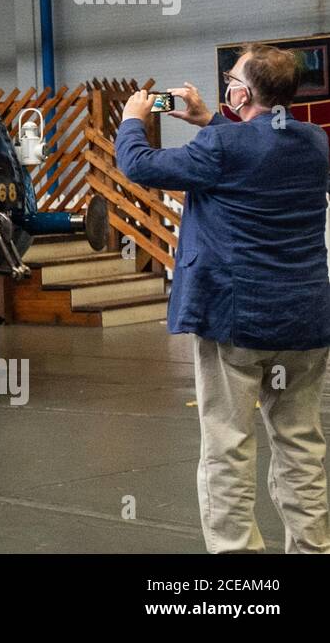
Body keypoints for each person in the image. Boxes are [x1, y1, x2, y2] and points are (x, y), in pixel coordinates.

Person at [116, 44, 330, 553]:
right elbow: (252, 150)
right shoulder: (315, 141)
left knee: (228, 449)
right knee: (302, 446)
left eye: (231, 77)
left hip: (237, 319)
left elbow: (138, 164)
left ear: (241, 91)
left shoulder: (224, 149)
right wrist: (210, 120)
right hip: (304, 321)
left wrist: (132, 118)